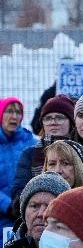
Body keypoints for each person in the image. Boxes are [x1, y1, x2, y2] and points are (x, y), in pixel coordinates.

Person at [11, 94, 74, 201]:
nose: (53, 122)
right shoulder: (29, 154)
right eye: (48, 118)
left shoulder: (81, 151)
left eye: (59, 117)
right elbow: (18, 193)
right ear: (43, 123)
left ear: (71, 122)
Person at [1, 96, 37, 228]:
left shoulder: (32, 143)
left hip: (27, 216)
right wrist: (8, 206)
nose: (14, 116)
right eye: (9, 111)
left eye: (18, 112)